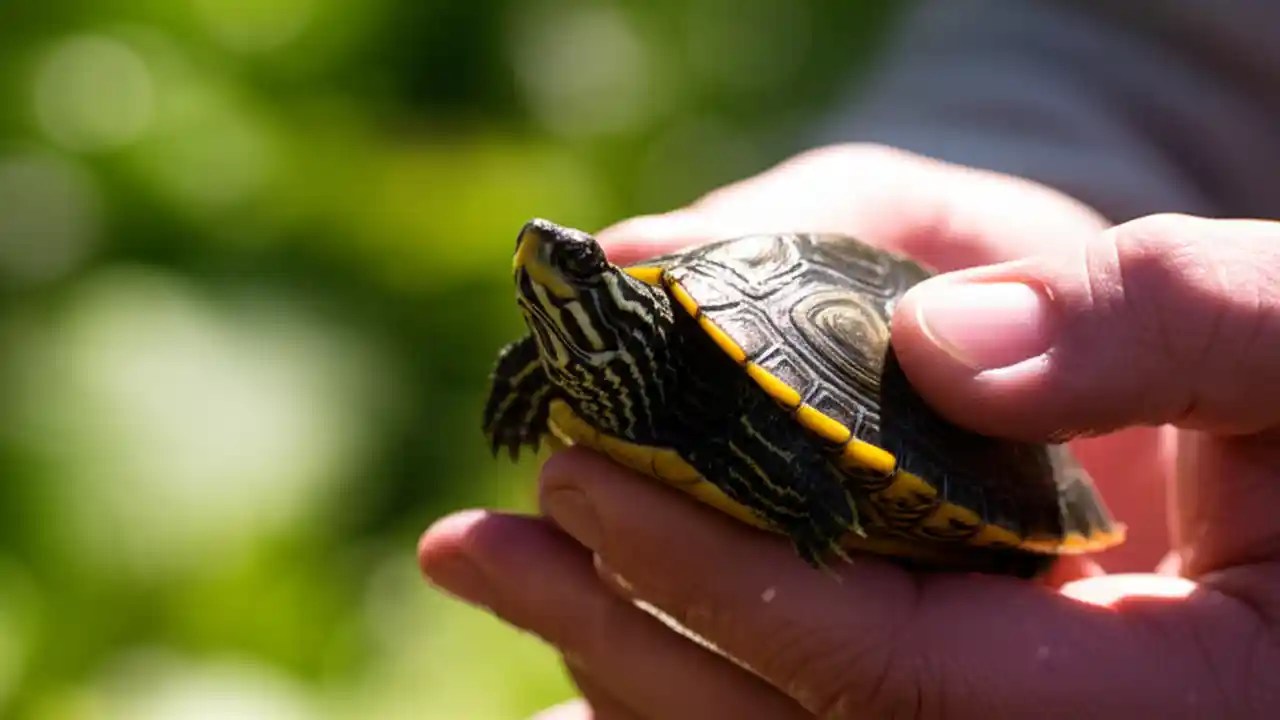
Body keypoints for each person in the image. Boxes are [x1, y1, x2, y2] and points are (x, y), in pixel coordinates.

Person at [419, 3, 1280, 717]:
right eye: (545, 268)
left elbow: (794, 432)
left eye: (580, 268)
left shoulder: (702, 366)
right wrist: (1013, 185)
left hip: (973, 481)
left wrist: (809, 502)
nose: (546, 252)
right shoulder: (625, 362)